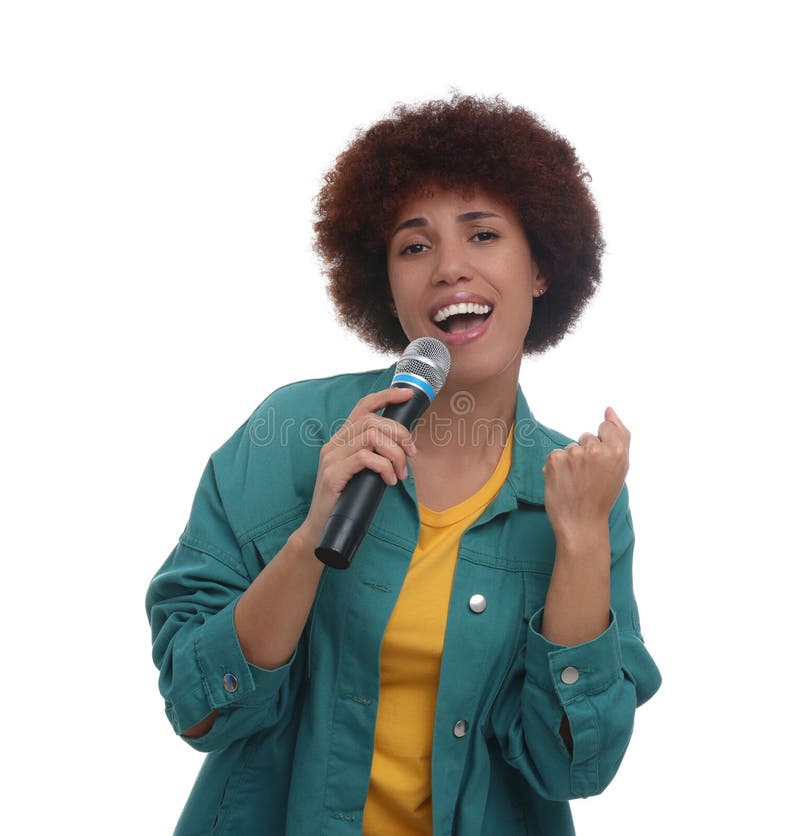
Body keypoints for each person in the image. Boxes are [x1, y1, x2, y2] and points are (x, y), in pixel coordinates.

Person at [146, 93, 661, 835]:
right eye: (414, 247)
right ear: (385, 285)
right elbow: (199, 708)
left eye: (483, 234)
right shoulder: (292, 434)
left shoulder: (580, 490)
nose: (450, 267)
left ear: (542, 268)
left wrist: (579, 541)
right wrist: (310, 541)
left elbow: (575, 768)